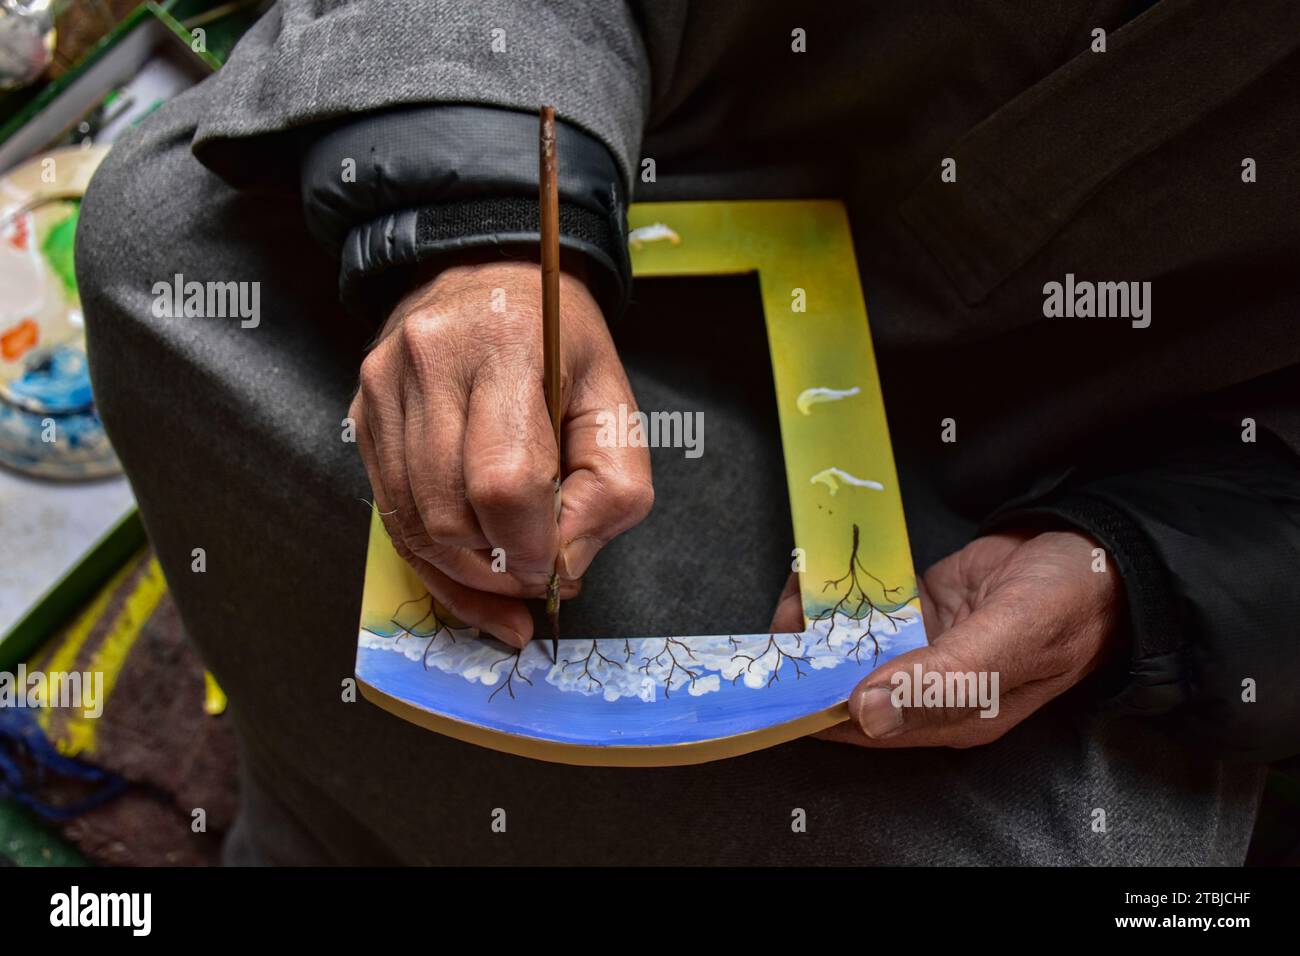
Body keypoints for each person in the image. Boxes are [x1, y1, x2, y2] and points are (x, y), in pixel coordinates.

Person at [75, 0, 1300, 864]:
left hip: (1066, 520)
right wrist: (487, 225)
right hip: (612, 196)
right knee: (164, 245)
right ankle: (323, 808)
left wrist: (1126, 576)